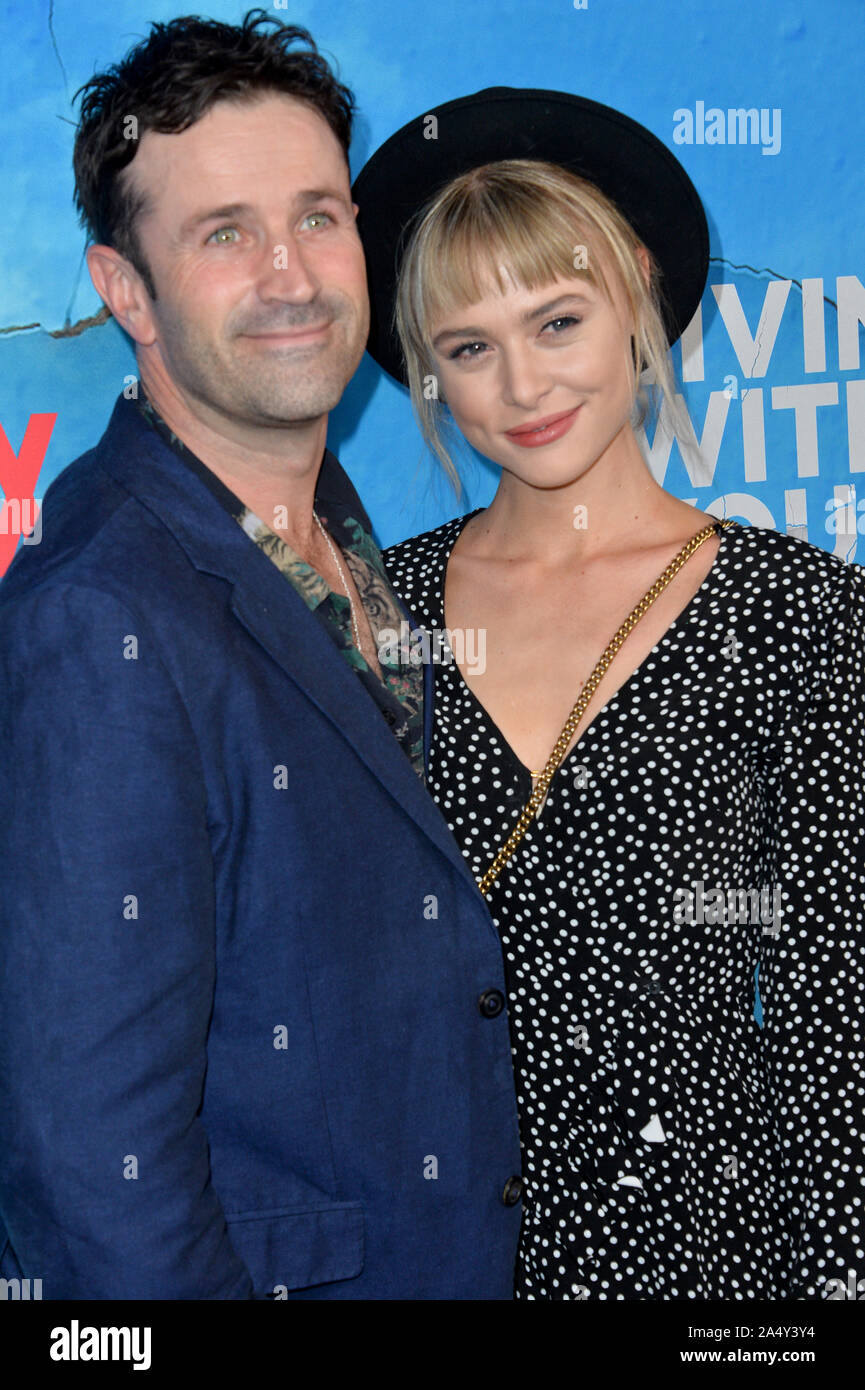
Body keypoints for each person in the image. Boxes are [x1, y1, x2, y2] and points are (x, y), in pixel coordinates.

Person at [0, 18, 524, 1299]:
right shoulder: (98, 616)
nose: (292, 275)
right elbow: (88, 1174)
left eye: (318, 217)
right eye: (223, 234)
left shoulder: (346, 545)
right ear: (126, 291)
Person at [354, 87, 865, 1299]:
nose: (521, 385)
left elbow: (840, 1030)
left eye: (558, 319)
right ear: (427, 370)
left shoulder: (800, 615)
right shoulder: (379, 618)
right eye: (470, 347)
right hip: (438, 1245)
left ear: (634, 291)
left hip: (718, 1267)